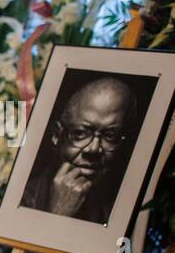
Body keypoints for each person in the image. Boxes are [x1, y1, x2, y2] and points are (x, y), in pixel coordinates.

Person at [21, 76, 139, 223]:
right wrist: (58, 213)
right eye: (80, 133)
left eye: (110, 136)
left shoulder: (126, 207)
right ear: (57, 135)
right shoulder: (24, 198)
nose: (94, 149)